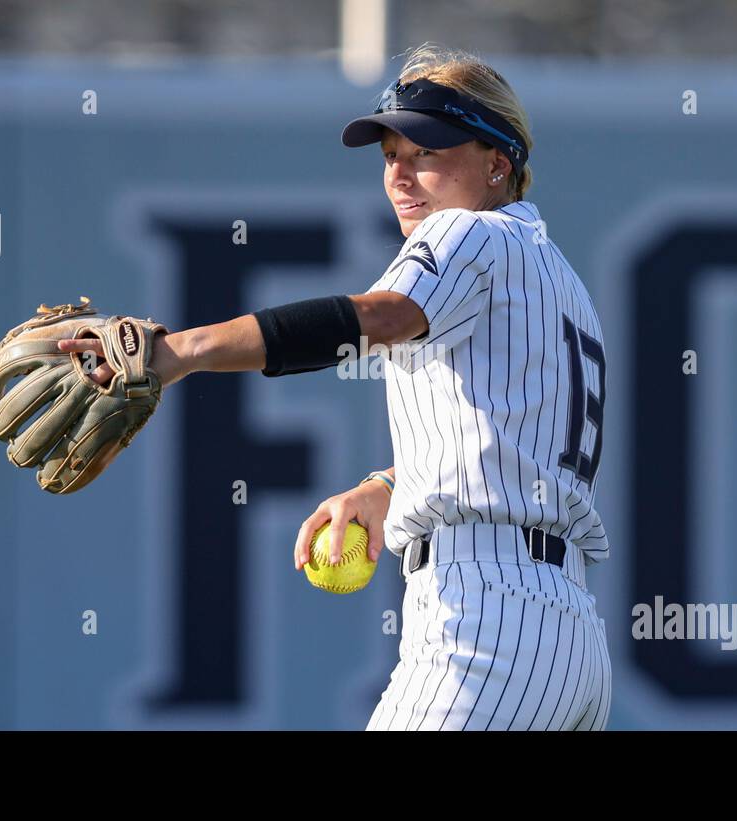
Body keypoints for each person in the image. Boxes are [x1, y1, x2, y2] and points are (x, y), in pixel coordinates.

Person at [62, 43, 611, 730]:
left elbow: (379, 317)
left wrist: (182, 350)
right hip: (567, 634)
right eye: (391, 156)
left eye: (428, 152)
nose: (403, 176)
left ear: (498, 163)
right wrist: (387, 484)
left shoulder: (470, 235)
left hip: (486, 620)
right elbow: (508, 433)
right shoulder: (558, 278)